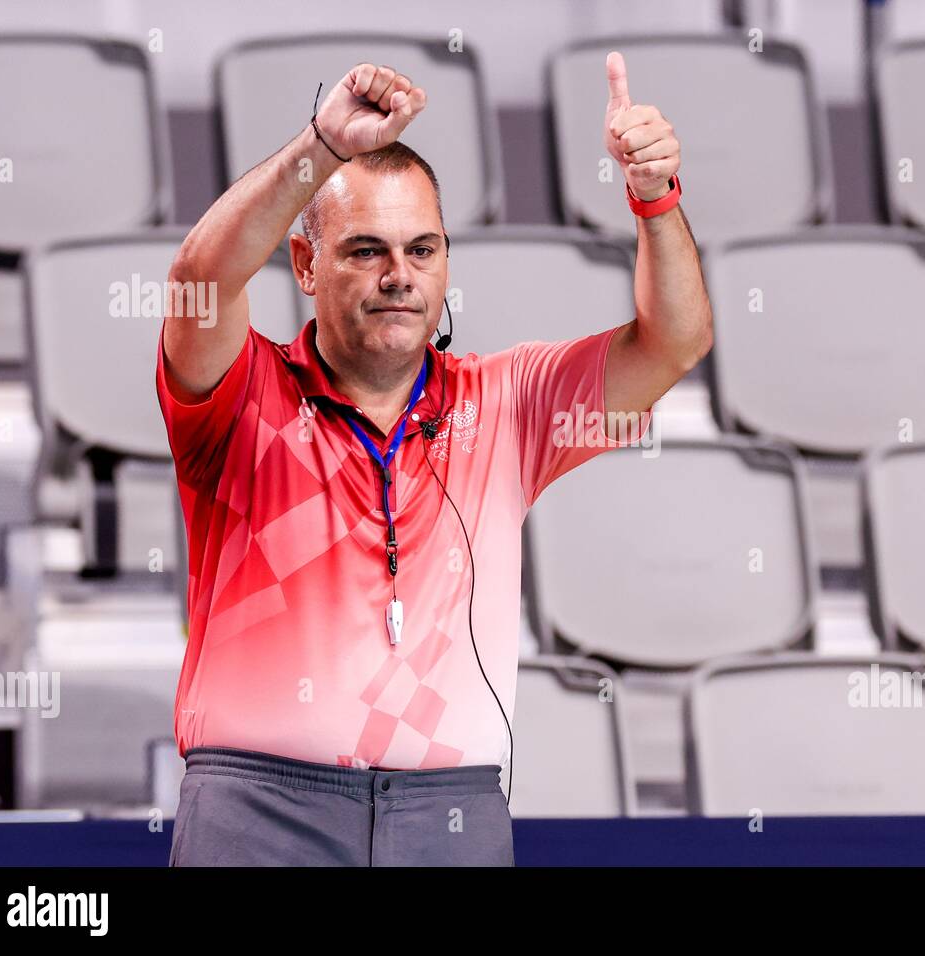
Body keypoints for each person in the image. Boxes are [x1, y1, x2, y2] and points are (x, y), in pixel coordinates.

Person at [157, 53, 711, 865]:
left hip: (450, 817)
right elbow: (199, 280)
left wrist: (655, 200)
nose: (399, 278)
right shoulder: (243, 392)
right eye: (364, 251)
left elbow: (675, 340)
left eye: (423, 250)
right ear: (306, 265)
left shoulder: (507, 402)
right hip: (258, 813)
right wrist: (323, 146)